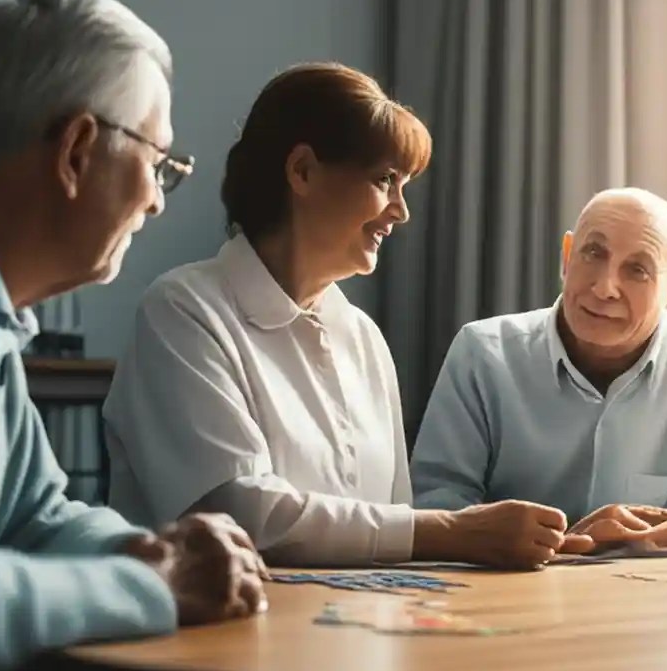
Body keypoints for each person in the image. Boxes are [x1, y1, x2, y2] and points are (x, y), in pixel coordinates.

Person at [0, 0, 268, 671]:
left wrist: (148, 549)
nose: (159, 199)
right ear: (76, 150)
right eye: (159, 162)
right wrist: (151, 581)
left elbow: (35, 516)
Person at [104, 62, 592, 571]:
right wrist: (454, 530)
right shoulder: (183, 311)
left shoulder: (363, 338)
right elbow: (237, 514)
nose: (401, 210)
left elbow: (394, 523)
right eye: (385, 180)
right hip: (219, 638)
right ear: (303, 171)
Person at [412, 188, 667, 555]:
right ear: (566, 256)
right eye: (594, 253)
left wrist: (645, 533)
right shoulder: (481, 352)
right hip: (505, 587)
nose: (605, 287)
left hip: (650, 592)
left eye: (637, 270)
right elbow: (438, 501)